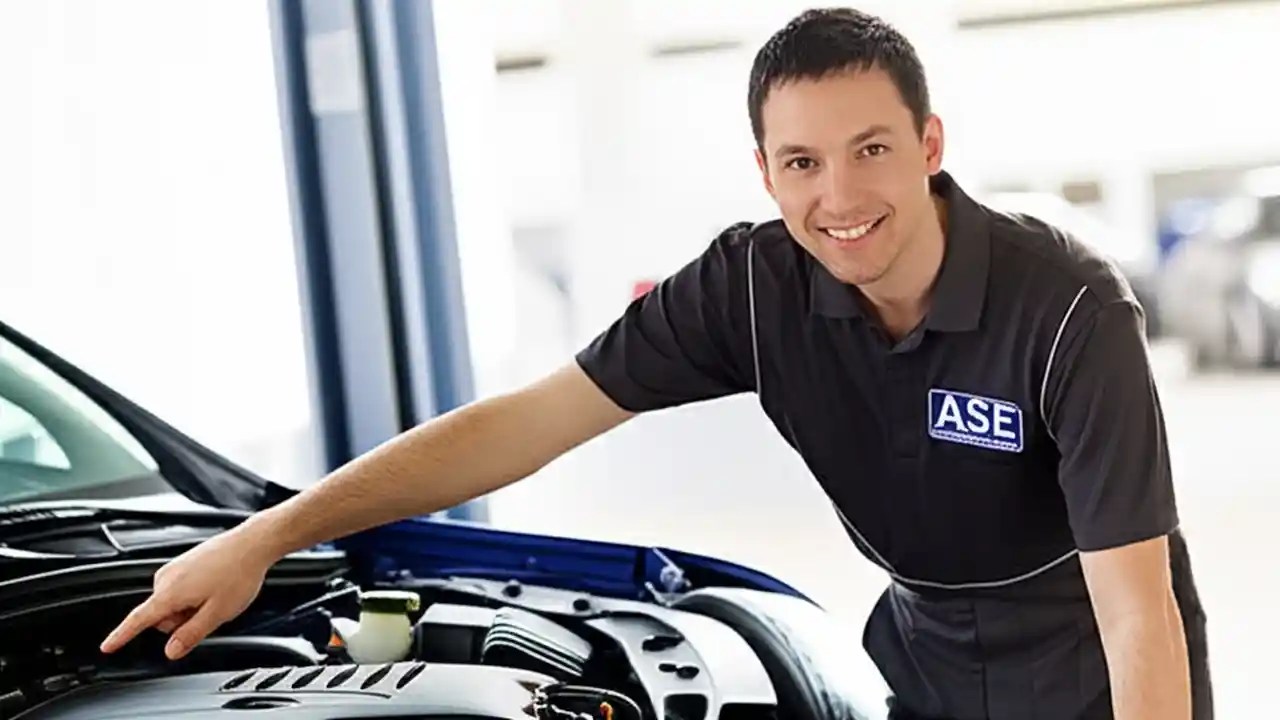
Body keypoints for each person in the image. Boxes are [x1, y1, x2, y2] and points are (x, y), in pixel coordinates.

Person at [100, 8, 1211, 719]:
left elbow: (1134, 610)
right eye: (801, 162)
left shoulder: (1068, 309)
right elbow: (521, 425)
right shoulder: (747, 287)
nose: (840, 196)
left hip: (1089, 663)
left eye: (871, 149)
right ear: (765, 174)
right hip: (916, 654)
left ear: (927, 145)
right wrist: (267, 534)